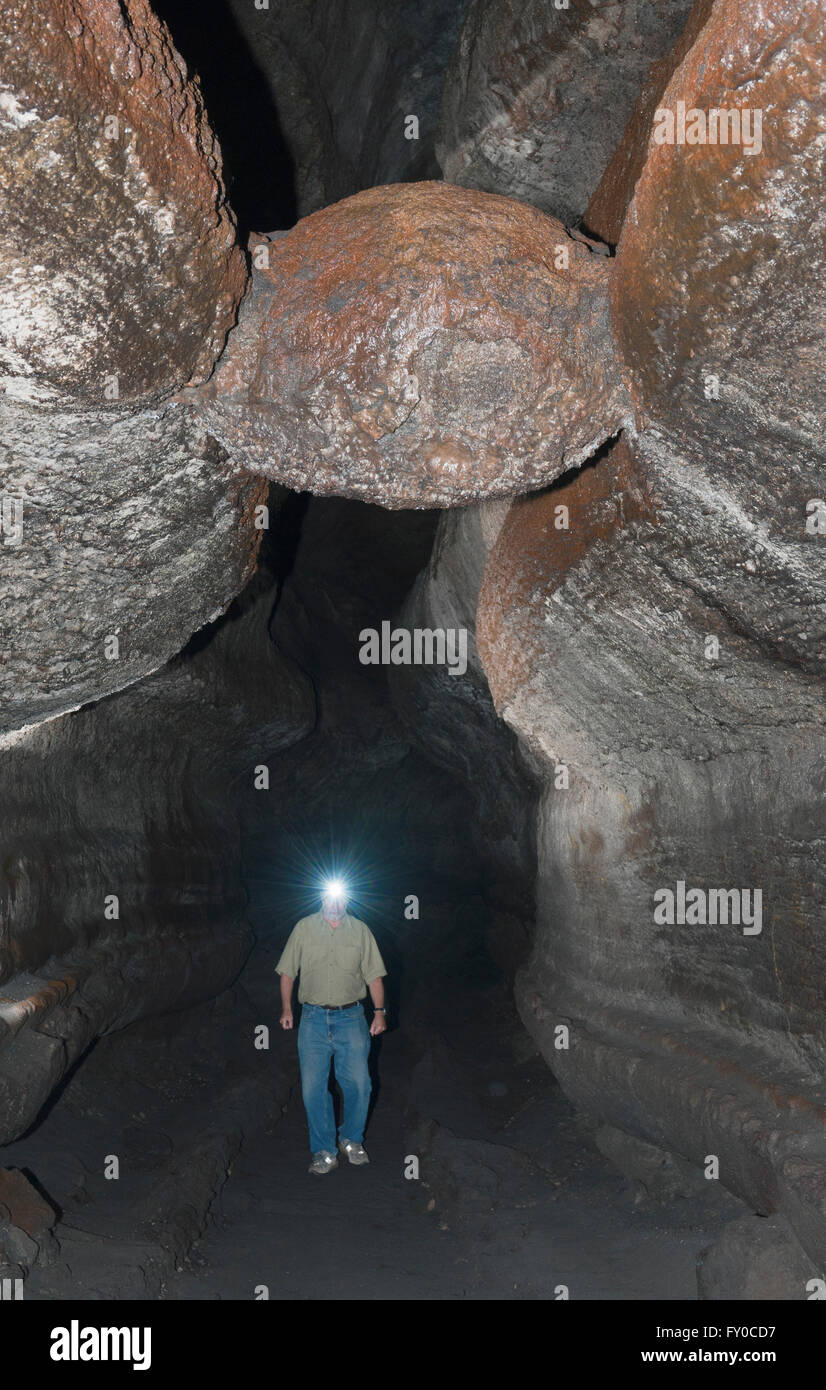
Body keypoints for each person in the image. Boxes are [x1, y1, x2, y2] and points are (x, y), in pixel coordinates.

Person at [277, 881, 388, 1174]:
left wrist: (379, 1013)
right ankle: (324, 1150)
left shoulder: (361, 930)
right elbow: (288, 971)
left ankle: (351, 1139)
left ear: (347, 900)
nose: (334, 904)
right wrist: (287, 1009)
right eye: (329, 898)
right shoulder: (303, 928)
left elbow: (374, 975)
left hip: (351, 1017)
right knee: (313, 1088)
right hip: (312, 1019)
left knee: (360, 1083)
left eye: (340, 899)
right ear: (321, 899)